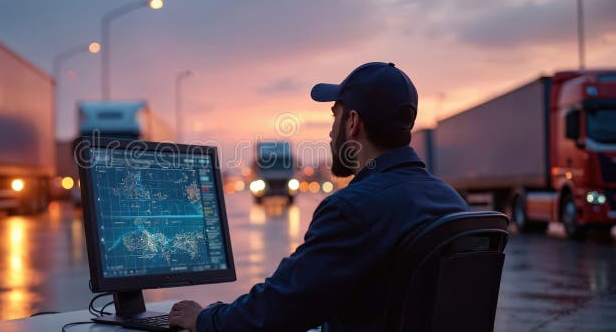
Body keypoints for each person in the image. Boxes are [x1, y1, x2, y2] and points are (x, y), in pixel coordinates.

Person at [169, 62, 469, 332]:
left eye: (334, 117)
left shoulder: (353, 209)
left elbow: (280, 308)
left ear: (352, 123)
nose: (330, 133)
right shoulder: (451, 202)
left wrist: (205, 319)